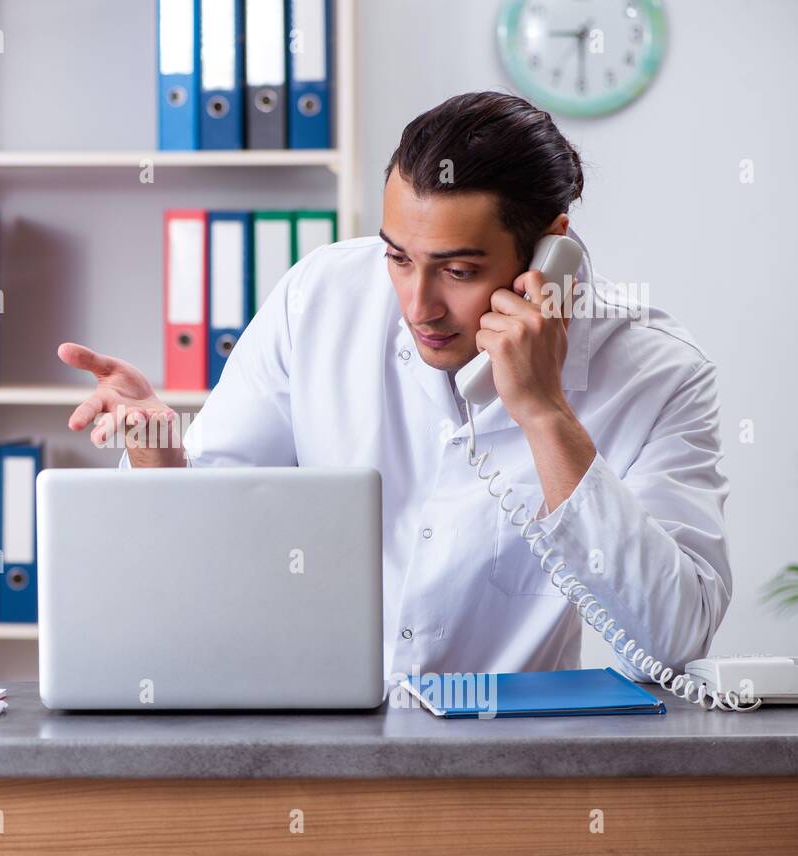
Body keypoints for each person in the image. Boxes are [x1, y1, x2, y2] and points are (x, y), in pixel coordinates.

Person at [57, 90, 730, 686]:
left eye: (459, 270)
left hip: (514, 765)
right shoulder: (319, 296)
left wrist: (546, 414)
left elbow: (668, 645)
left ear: (553, 253)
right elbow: (206, 545)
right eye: (398, 257)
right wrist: (159, 455)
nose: (418, 305)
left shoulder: (659, 373)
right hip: (314, 738)